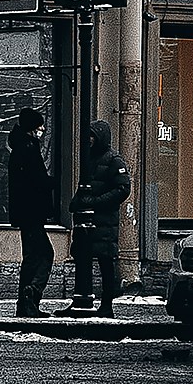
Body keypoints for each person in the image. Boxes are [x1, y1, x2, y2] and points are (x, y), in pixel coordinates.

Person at [70, 114, 130, 315]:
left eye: (93, 136)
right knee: (83, 260)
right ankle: (81, 299)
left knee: (106, 264)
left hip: (104, 222)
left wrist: (96, 203)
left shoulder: (113, 160)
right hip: (87, 220)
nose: (89, 140)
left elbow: (123, 189)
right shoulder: (90, 158)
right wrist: (77, 203)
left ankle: (106, 305)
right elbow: (86, 186)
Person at [8, 104, 57, 321]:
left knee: (32, 257)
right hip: (32, 213)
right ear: (32, 128)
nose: (42, 130)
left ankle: (26, 304)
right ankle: (31, 296)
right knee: (44, 255)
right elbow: (36, 182)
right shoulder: (28, 148)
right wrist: (52, 182)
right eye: (39, 126)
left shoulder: (21, 147)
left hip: (26, 213)